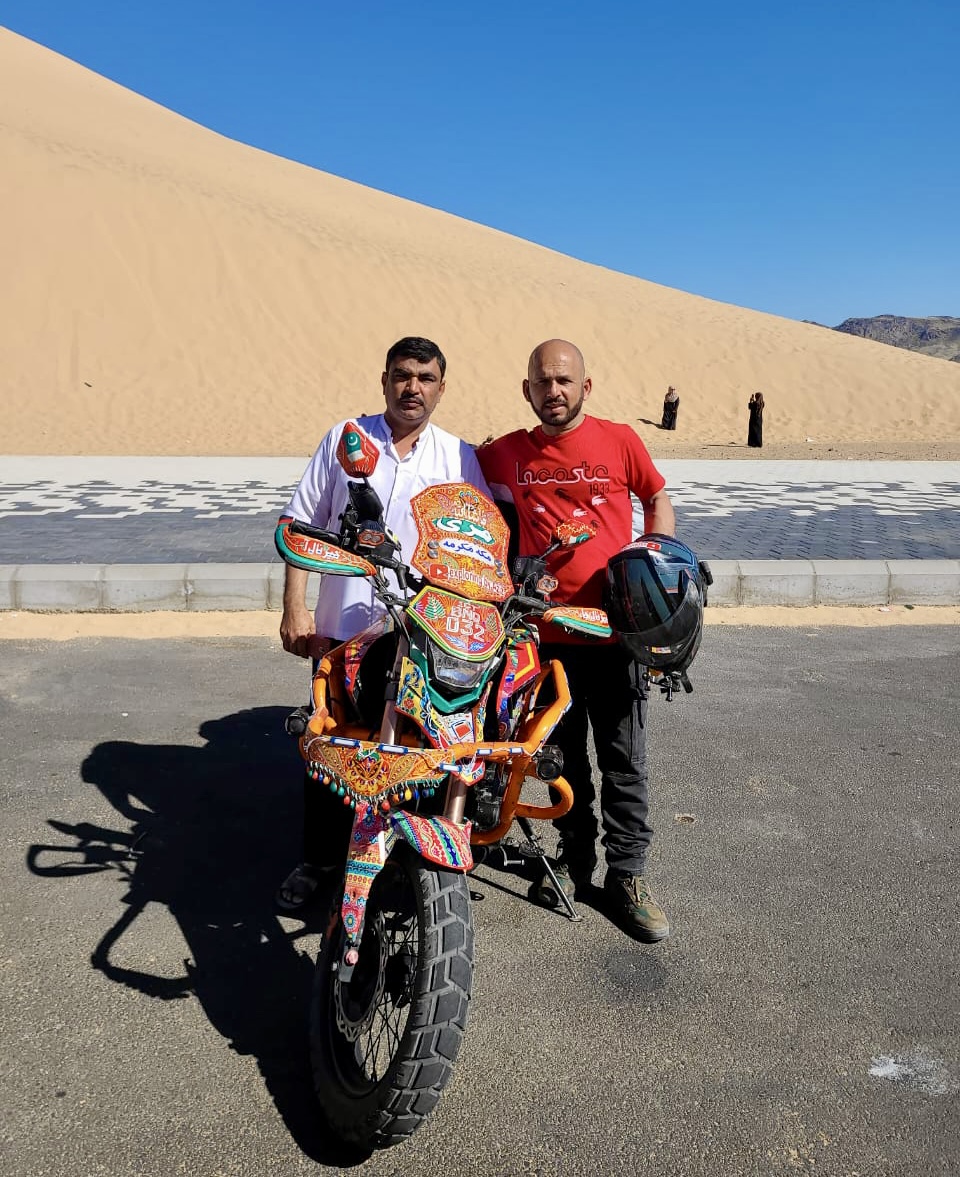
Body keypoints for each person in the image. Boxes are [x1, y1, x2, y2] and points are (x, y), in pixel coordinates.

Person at [276, 336, 490, 911]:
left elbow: (482, 545)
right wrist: (294, 605)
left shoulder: (459, 456)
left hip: (419, 630)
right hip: (344, 620)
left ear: (442, 387)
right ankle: (319, 860)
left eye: (425, 377)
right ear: (385, 380)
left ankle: (410, 856)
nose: (412, 387)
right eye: (402, 375)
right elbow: (302, 522)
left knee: (417, 739)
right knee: (331, 735)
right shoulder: (347, 438)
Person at [477, 339, 676, 942]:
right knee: (560, 760)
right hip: (545, 640)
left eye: (564, 381)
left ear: (585, 387)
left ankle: (628, 876)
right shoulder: (506, 454)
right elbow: (451, 478)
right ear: (527, 390)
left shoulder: (619, 440)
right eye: (542, 382)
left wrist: (657, 561)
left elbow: (656, 497)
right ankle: (572, 858)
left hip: (617, 636)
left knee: (623, 760)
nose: (553, 391)